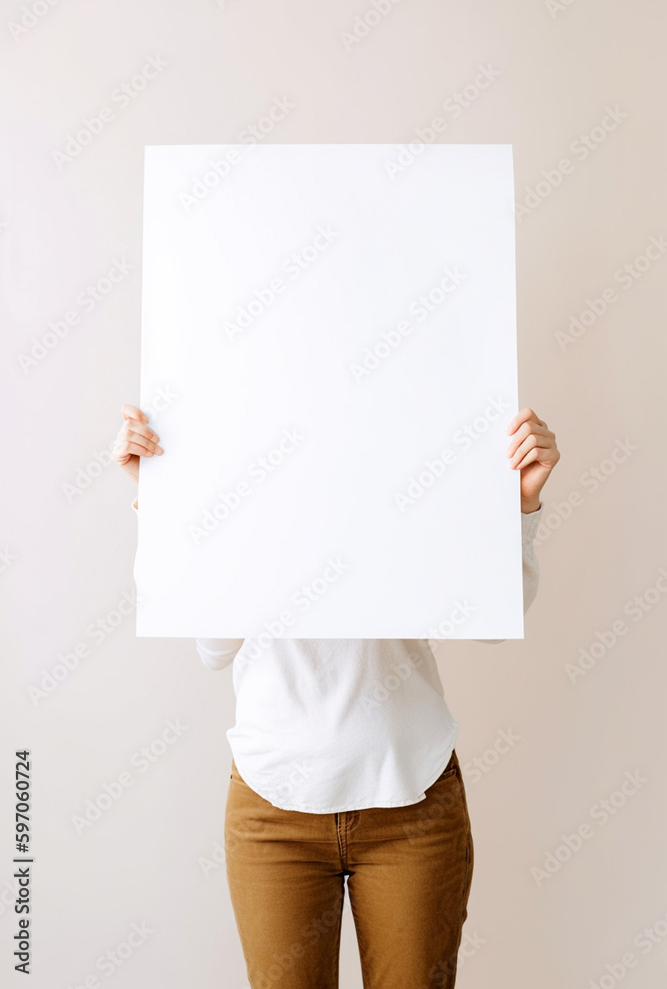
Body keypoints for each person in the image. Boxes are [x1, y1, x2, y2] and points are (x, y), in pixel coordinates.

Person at [114, 402, 559, 989]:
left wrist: (520, 505)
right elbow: (212, 647)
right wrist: (171, 498)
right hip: (274, 809)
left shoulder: (405, 432)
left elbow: (492, 619)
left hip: (411, 797)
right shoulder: (243, 442)